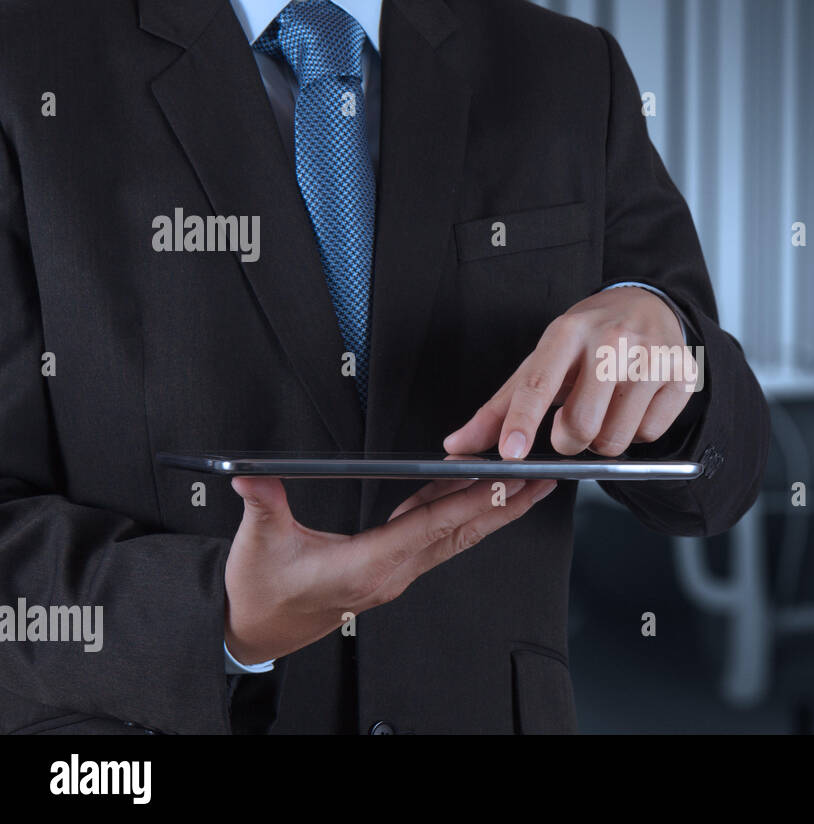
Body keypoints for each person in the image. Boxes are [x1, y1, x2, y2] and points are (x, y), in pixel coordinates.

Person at [0, 0, 769, 734]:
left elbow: (720, 483)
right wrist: (216, 617)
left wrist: (669, 346)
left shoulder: (569, 71)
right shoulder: (26, 63)